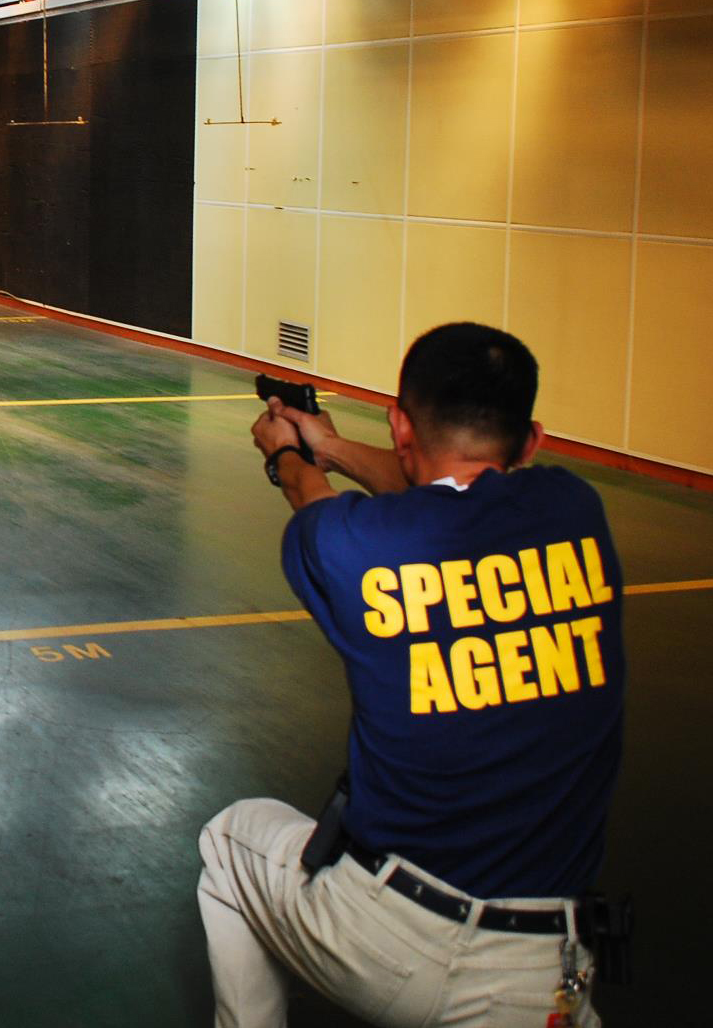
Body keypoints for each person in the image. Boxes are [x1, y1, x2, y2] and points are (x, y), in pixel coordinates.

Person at [198, 323, 624, 1027]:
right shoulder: (576, 512)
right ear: (533, 440)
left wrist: (290, 455)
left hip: (391, 936)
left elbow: (316, 501)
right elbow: (457, 493)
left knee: (230, 842)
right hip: (545, 974)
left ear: (400, 425)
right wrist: (330, 444)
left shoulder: (351, 545)